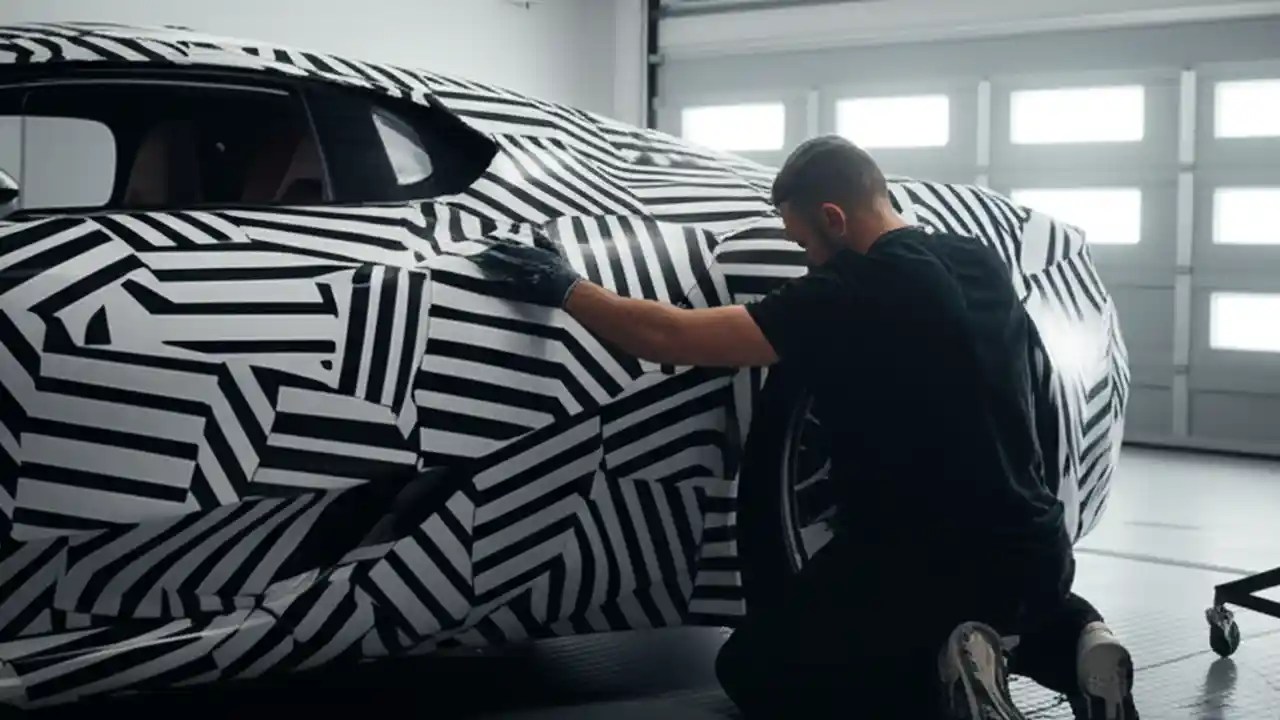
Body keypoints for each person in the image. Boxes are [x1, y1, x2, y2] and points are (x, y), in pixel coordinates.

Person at [466, 135, 1139, 720]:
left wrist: (565, 286)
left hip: (920, 564)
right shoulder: (982, 263)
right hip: (1036, 546)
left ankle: (942, 677)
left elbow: (668, 335)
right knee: (1030, 607)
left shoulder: (850, 292)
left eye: (802, 241)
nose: (804, 257)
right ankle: (1084, 644)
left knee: (754, 668)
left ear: (835, 219)